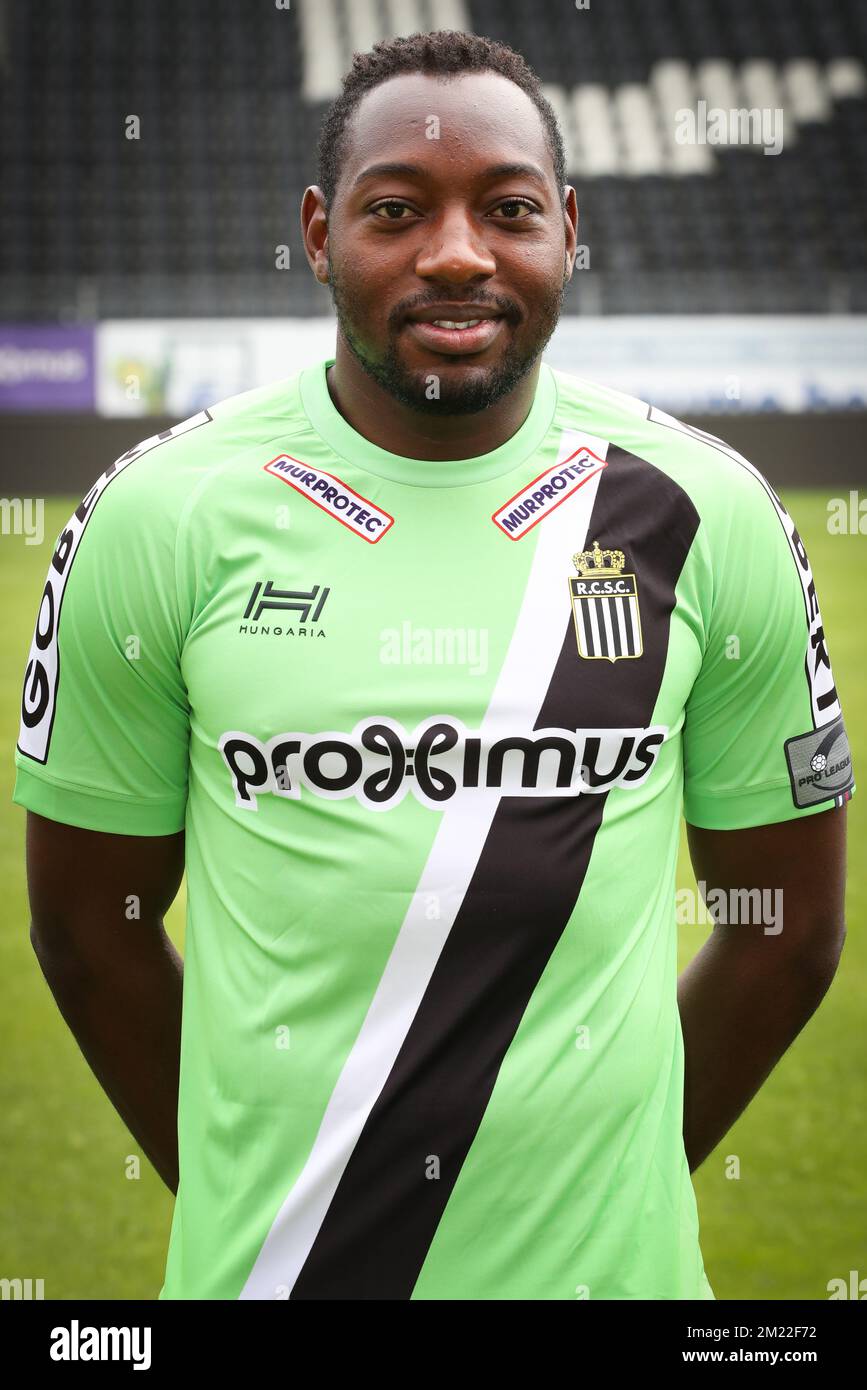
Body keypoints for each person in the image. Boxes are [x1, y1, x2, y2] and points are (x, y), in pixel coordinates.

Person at [13, 30, 854, 1300]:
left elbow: (786, 930)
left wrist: (607, 1186)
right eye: (396, 209)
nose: (456, 254)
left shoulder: (709, 512)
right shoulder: (156, 516)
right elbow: (90, 928)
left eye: (508, 209)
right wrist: (274, 1196)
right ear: (316, 230)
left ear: (568, 229)